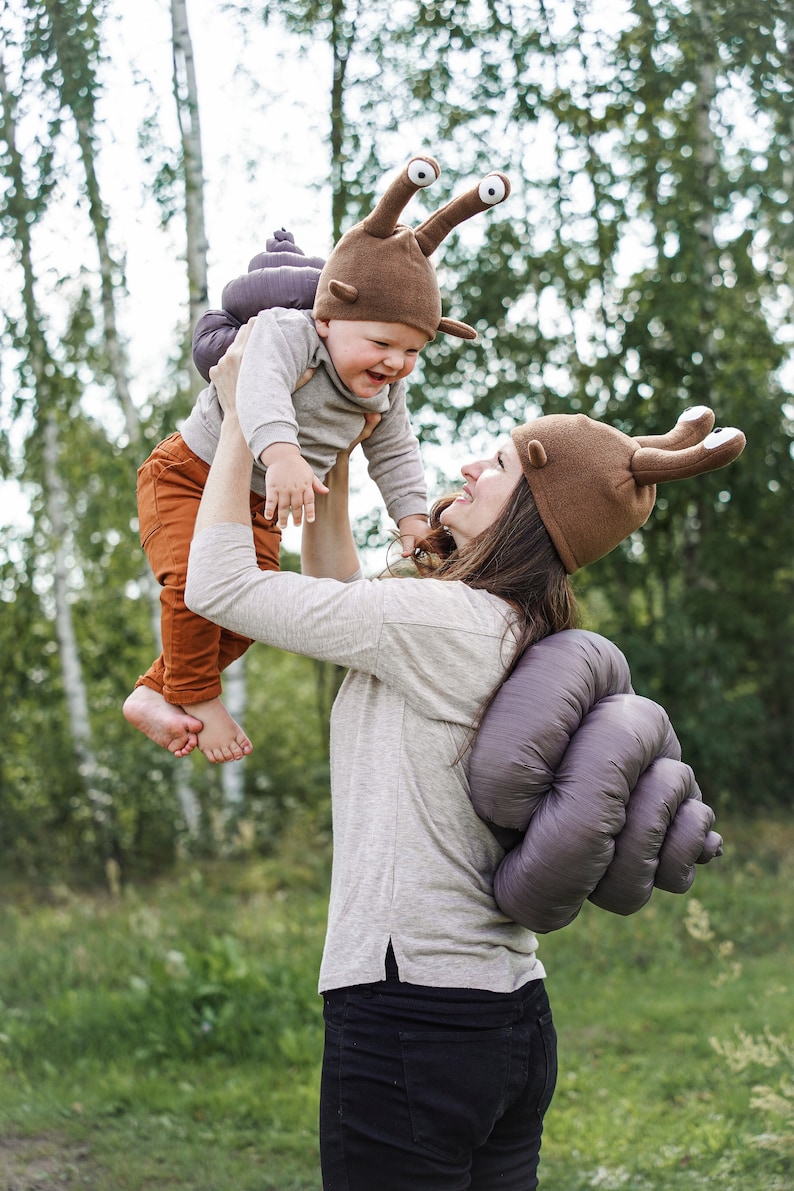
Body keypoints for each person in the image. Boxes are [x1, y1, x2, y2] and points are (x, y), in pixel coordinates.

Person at [183, 322, 745, 1189]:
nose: (473, 469)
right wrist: (335, 459)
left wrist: (235, 423)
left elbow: (217, 586)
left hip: (410, 1012)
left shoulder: (438, 623)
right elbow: (342, 608)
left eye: (503, 466)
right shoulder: (507, 624)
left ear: (531, 510)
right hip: (509, 1015)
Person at [123, 155, 511, 763]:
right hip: (189, 475)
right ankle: (194, 693)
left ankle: (155, 689)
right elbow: (256, 386)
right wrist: (280, 455)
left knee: (249, 609)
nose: (395, 363)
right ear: (329, 318)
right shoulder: (287, 329)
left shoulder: (386, 385)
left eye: (413, 349)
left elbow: (394, 446)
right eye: (382, 343)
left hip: (259, 500)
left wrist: (413, 519)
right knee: (191, 583)